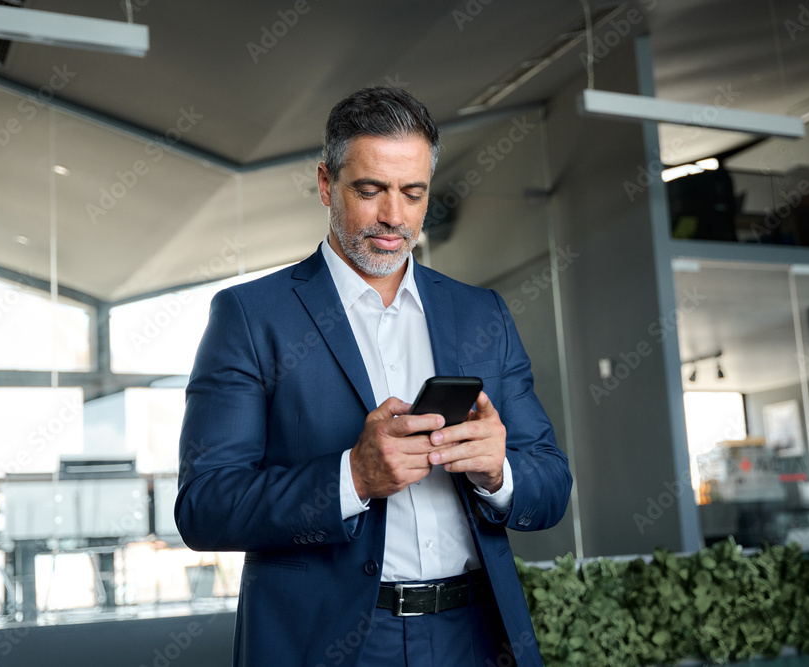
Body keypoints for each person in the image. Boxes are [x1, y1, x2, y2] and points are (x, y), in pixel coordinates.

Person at [176, 86, 572, 667]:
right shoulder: (251, 316)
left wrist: (500, 472)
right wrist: (352, 477)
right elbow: (205, 506)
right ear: (324, 184)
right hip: (332, 645)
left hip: (476, 638)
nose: (394, 216)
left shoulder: (481, 313)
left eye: (413, 193)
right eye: (370, 190)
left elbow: (552, 485)